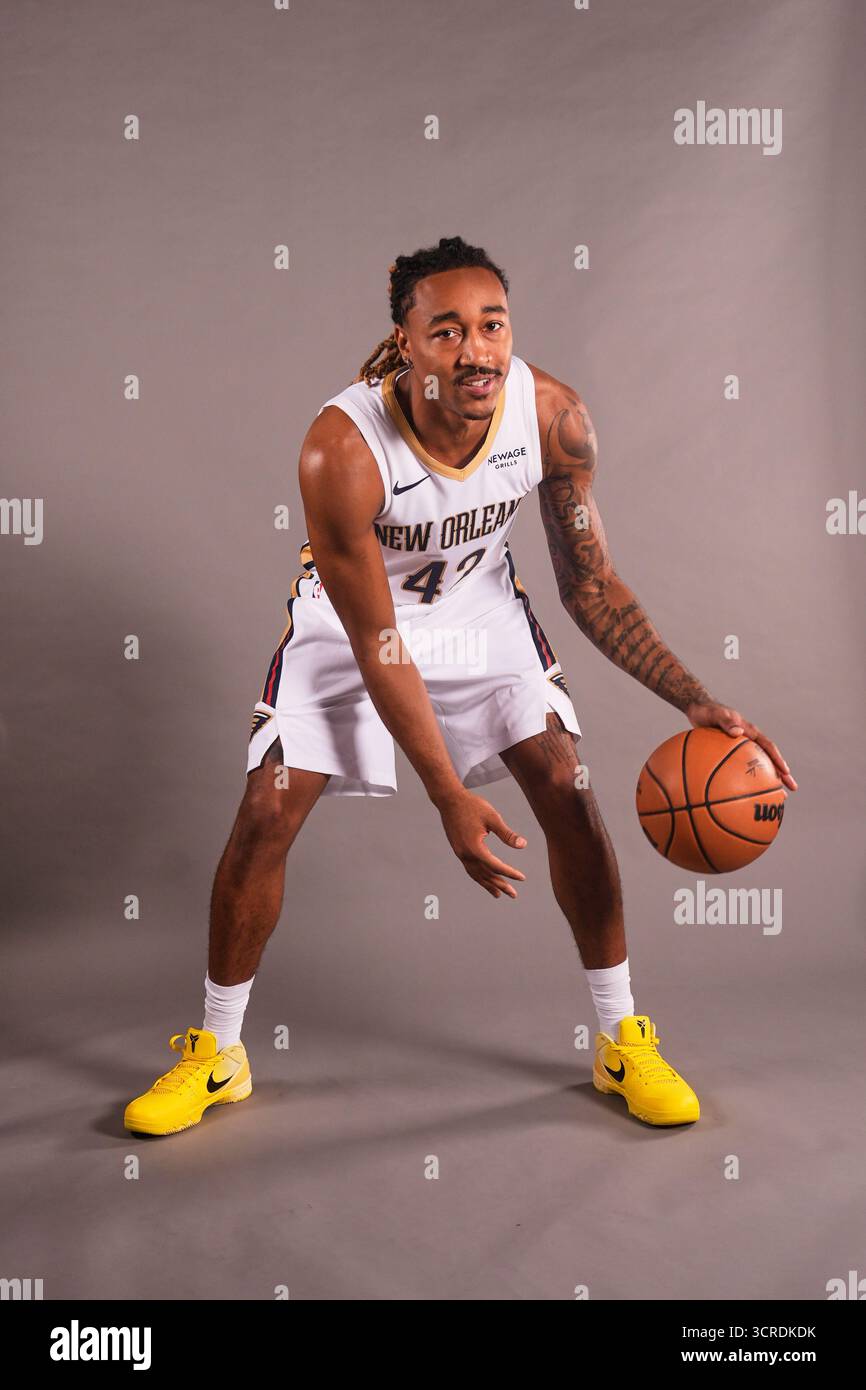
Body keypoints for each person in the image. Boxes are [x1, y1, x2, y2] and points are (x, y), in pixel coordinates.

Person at [124, 235, 796, 1137]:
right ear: (406, 345)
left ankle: (620, 1039)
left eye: (493, 325)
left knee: (566, 787)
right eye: (447, 331)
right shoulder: (342, 449)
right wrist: (447, 795)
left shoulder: (552, 417)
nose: (477, 349)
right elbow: (378, 640)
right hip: (354, 631)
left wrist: (693, 699)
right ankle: (217, 1055)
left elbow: (591, 583)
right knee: (266, 812)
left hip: (484, 621)